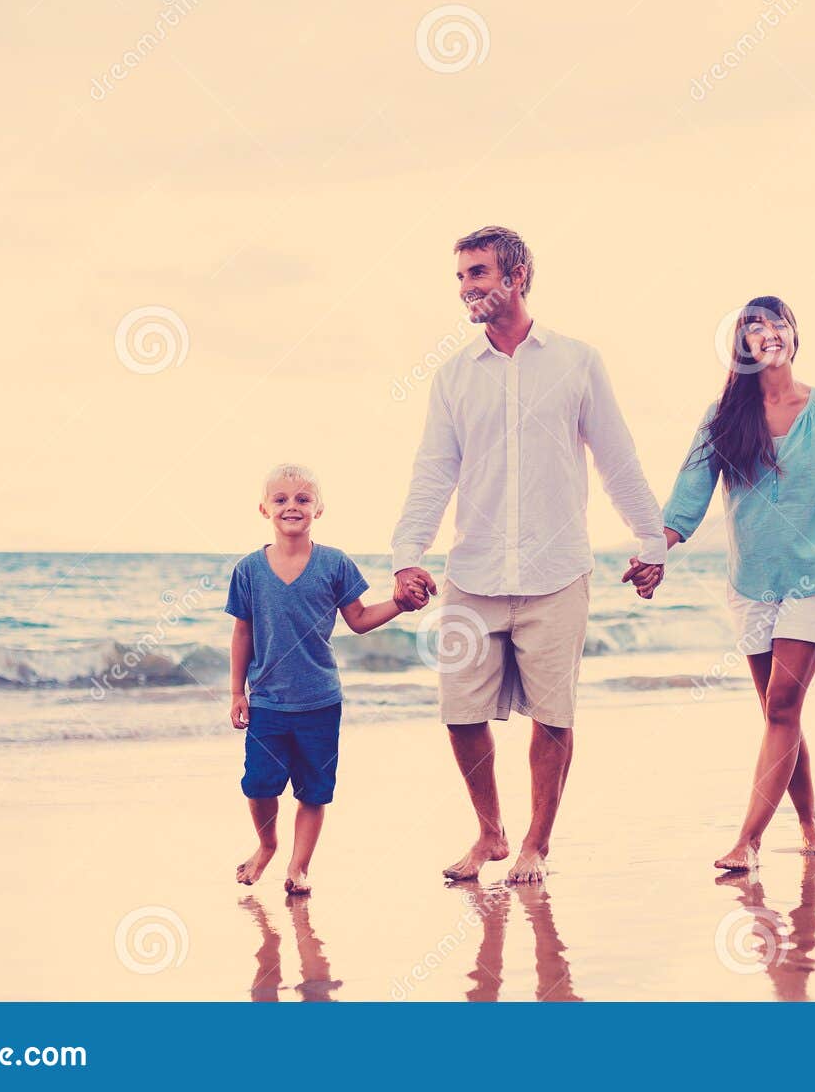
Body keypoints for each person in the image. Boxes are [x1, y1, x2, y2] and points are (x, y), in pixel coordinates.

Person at [390, 225, 667, 885]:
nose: (466, 288)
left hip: (557, 571)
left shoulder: (577, 361)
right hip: (474, 571)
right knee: (459, 712)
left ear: (517, 275)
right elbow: (434, 469)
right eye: (460, 276)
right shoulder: (454, 377)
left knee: (554, 714)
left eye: (478, 273)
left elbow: (616, 455)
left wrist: (650, 539)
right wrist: (407, 553)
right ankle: (491, 833)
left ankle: (536, 845)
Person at [661, 296, 815, 872]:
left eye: (776, 322)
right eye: (752, 326)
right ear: (741, 347)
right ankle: (808, 819)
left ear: (795, 336)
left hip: (809, 579)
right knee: (780, 714)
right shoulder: (723, 417)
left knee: (782, 708)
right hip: (749, 585)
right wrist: (655, 554)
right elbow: (688, 494)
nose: (766, 332)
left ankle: (748, 840)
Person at [227, 463, 425, 894]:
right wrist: (236, 692)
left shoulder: (334, 563)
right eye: (280, 499)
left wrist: (399, 605)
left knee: (314, 792)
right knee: (259, 784)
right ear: (264, 509)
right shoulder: (248, 570)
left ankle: (298, 868)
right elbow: (242, 631)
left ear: (319, 508)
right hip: (266, 703)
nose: (291, 507)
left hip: (320, 701)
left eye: (302, 499)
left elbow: (358, 619)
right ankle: (267, 845)